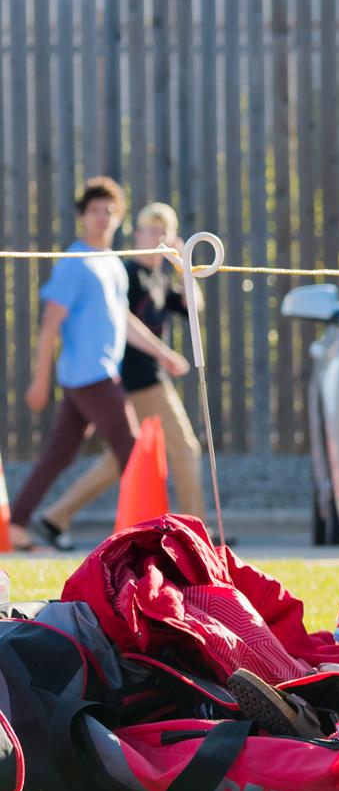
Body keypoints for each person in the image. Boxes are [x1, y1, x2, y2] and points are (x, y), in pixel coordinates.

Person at [11, 179, 190, 551]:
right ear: (82, 216)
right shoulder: (75, 262)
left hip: (101, 373)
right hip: (86, 376)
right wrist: (40, 379)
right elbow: (50, 323)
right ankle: (157, 541)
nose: (102, 217)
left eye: (109, 211)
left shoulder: (113, 264)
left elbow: (124, 321)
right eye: (94, 210)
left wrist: (162, 353)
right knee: (135, 449)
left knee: (60, 453)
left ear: (119, 217)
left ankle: (16, 524)